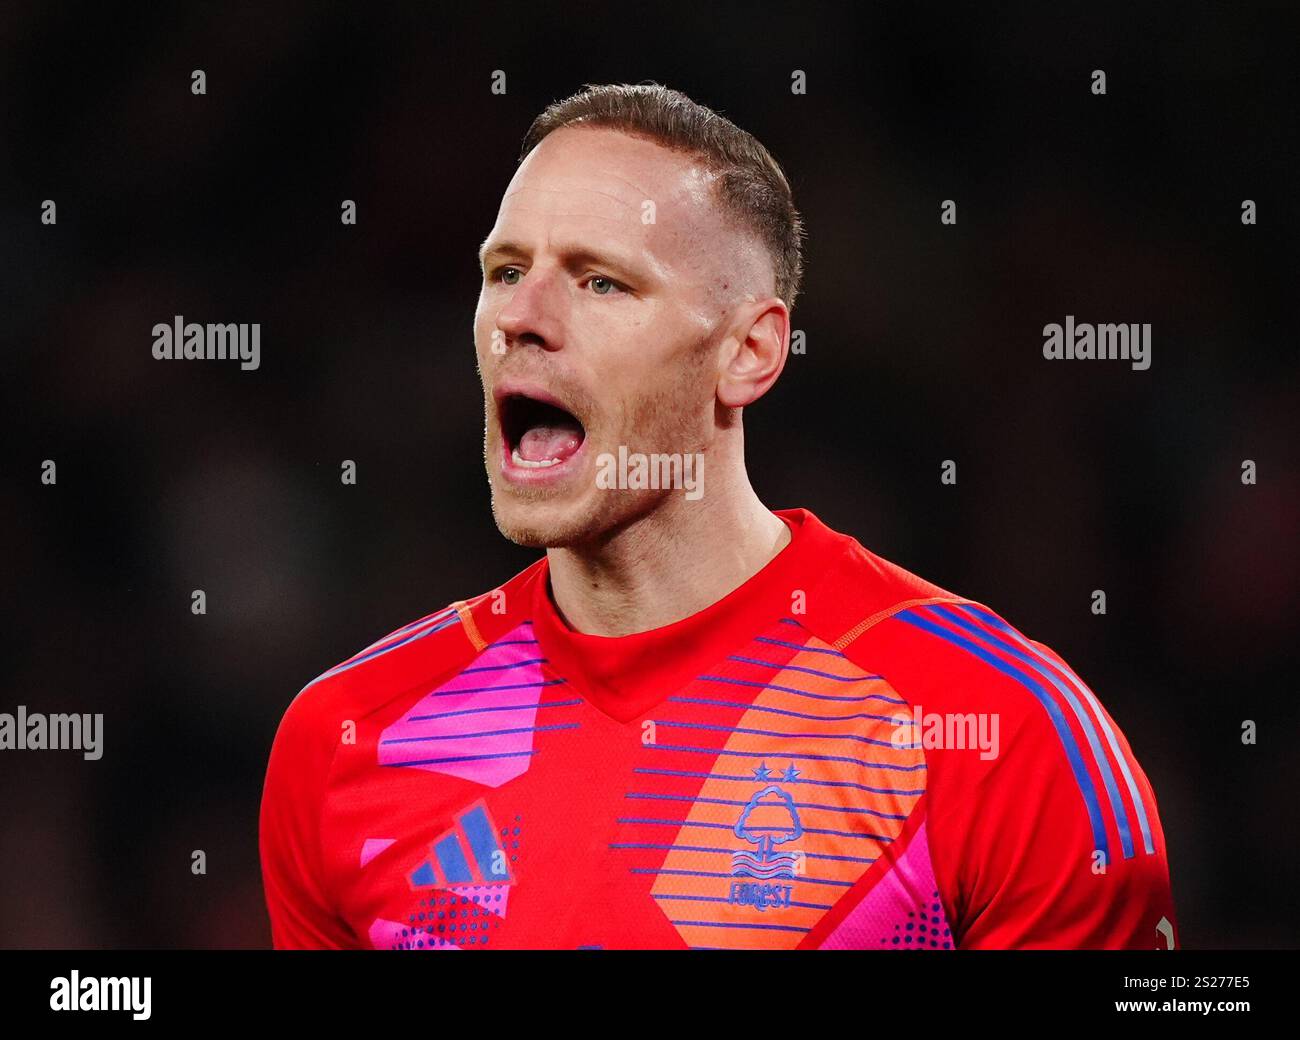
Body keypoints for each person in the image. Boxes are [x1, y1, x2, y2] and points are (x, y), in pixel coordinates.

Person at [259, 83, 1177, 950]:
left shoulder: (997, 733)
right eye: (505, 271)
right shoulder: (348, 741)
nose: (520, 319)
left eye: (600, 282)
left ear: (748, 352)